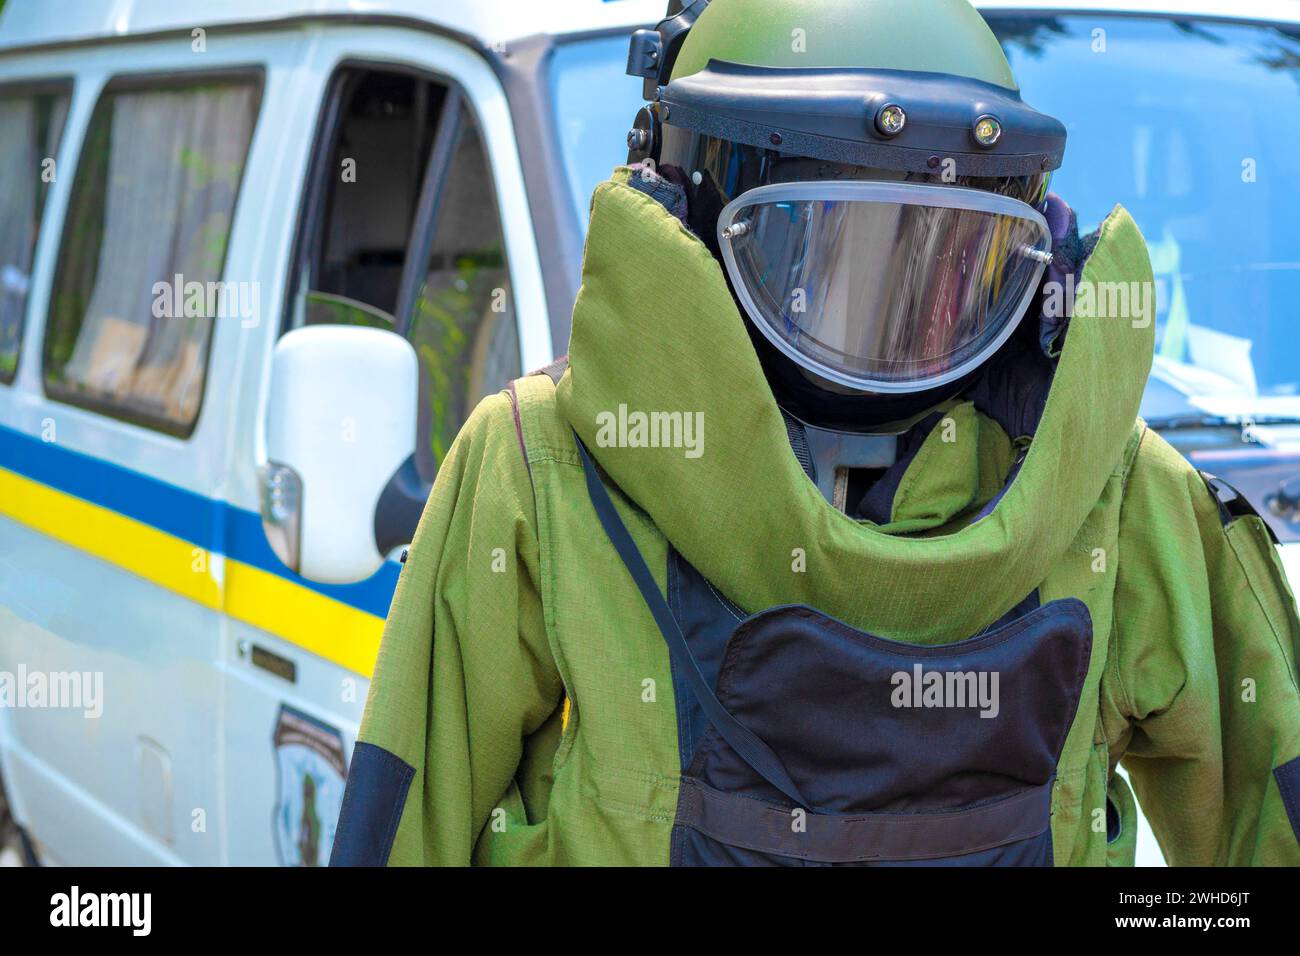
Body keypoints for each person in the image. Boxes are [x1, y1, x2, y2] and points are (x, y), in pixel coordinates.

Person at [331, 0, 1300, 866]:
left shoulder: (541, 460)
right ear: (689, 233)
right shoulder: (1120, 491)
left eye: (945, 269)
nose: (886, 331)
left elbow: (403, 820)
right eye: (819, 265)